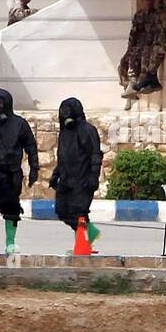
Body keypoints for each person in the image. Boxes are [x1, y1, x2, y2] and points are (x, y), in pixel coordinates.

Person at [0, 88, 39, 255]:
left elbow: (31, 147)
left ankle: (10, 243)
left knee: (11, 208)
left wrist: (34, 168)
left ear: (7, 105)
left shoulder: (20, 124)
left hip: (12, 174)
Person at [50, 97, 104, 247]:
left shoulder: (88, 130)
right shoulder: (65, 132)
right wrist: (56, 174)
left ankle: (82, 246)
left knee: (79, 212)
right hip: (66, 179)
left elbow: (95, 154)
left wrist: (93, 176)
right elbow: (62, 156)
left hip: (83, 178)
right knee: (62, 211)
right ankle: (90, 233)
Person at [132, 0, 166, 95]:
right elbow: (161, 31)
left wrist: (165, 21)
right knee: (149, 49)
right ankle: (149, 78)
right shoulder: (143, 15)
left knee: (156, 50)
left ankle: (150, 77)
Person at [118, 0, 156, 96]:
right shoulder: (138, 15)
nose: (148, 2)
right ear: (142, 0)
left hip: (149, 45)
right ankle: (127, 84)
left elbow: (156, 34)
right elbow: (133, 34)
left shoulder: (155, 15)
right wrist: (129, 48)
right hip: (138, 45)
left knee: (142, 58)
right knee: (124, 61)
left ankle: (138, 85)